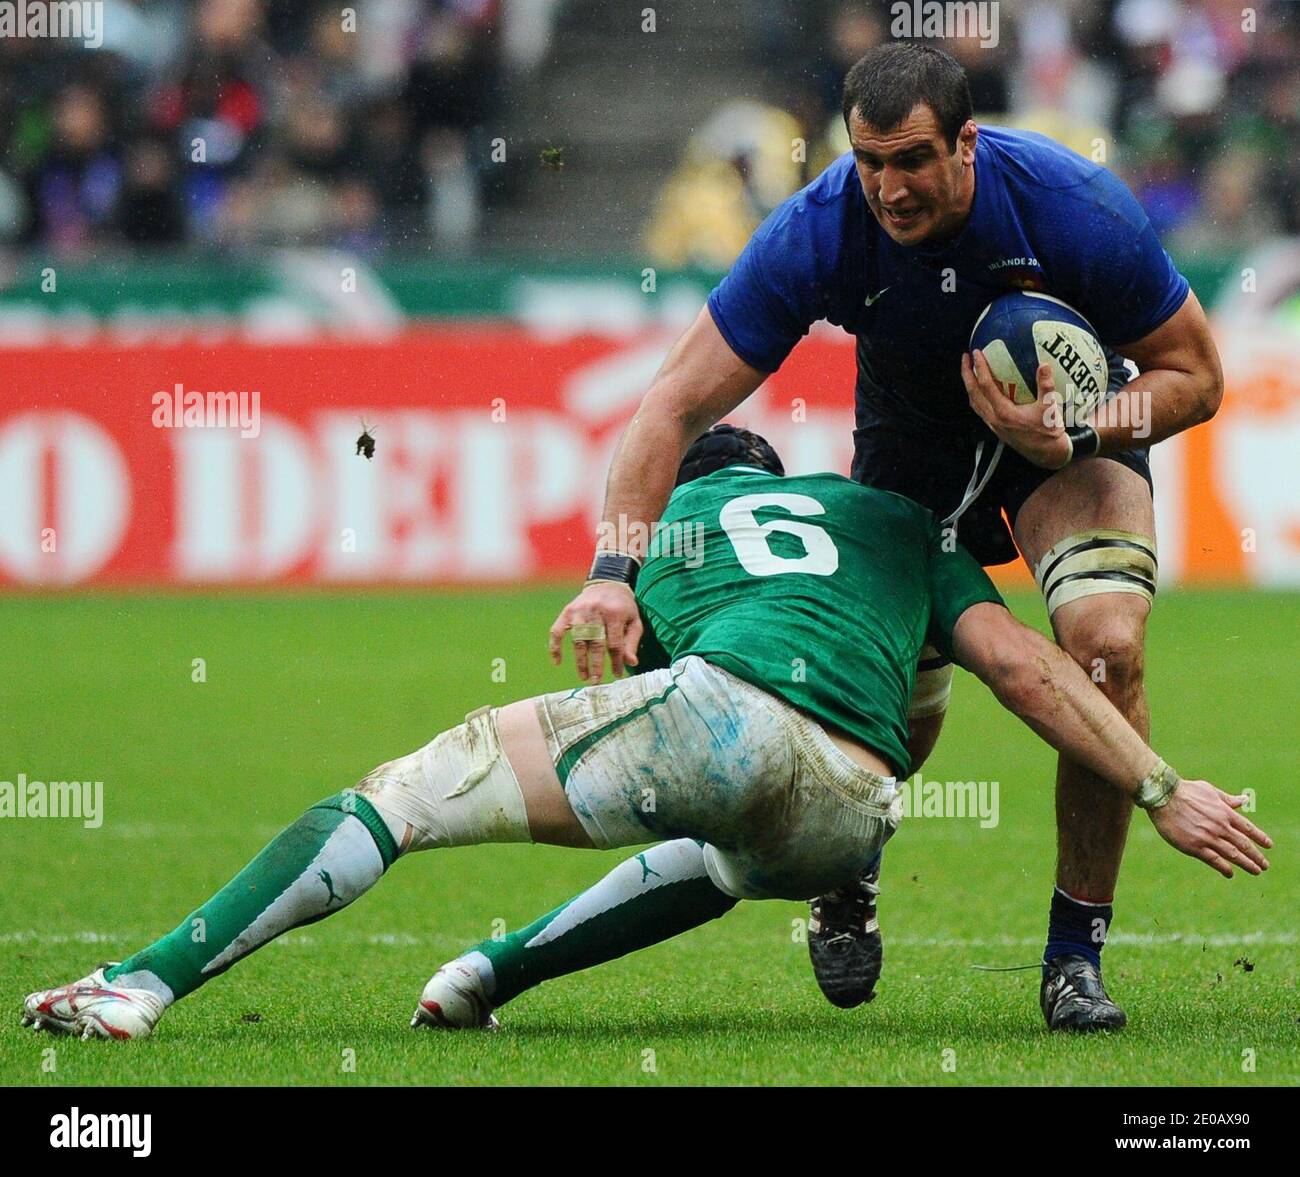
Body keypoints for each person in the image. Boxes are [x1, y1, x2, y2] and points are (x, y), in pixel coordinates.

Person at [21, 428, 1268, 1040]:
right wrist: (1159, 785)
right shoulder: (893, 520)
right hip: (853, 791)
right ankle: (492, 973)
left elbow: (659, 687)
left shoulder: (672, 524)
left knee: (403, 794)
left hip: (716, 716)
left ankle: (140, 984)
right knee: (740, 847)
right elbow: (1028, 670)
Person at [553, 43, 1226, 1030]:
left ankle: (1073, 957)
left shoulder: (1069, 205)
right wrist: (613, 571)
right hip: (913, 450)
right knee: (889, 710)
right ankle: (849, 866)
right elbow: (670, 407)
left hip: (1068, 434)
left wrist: (1078, 429)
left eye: (911, 160)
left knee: (1106, 652)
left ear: (966, 142)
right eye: (869, 162)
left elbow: (1196, 379)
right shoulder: (822, 227)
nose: (888, 188)